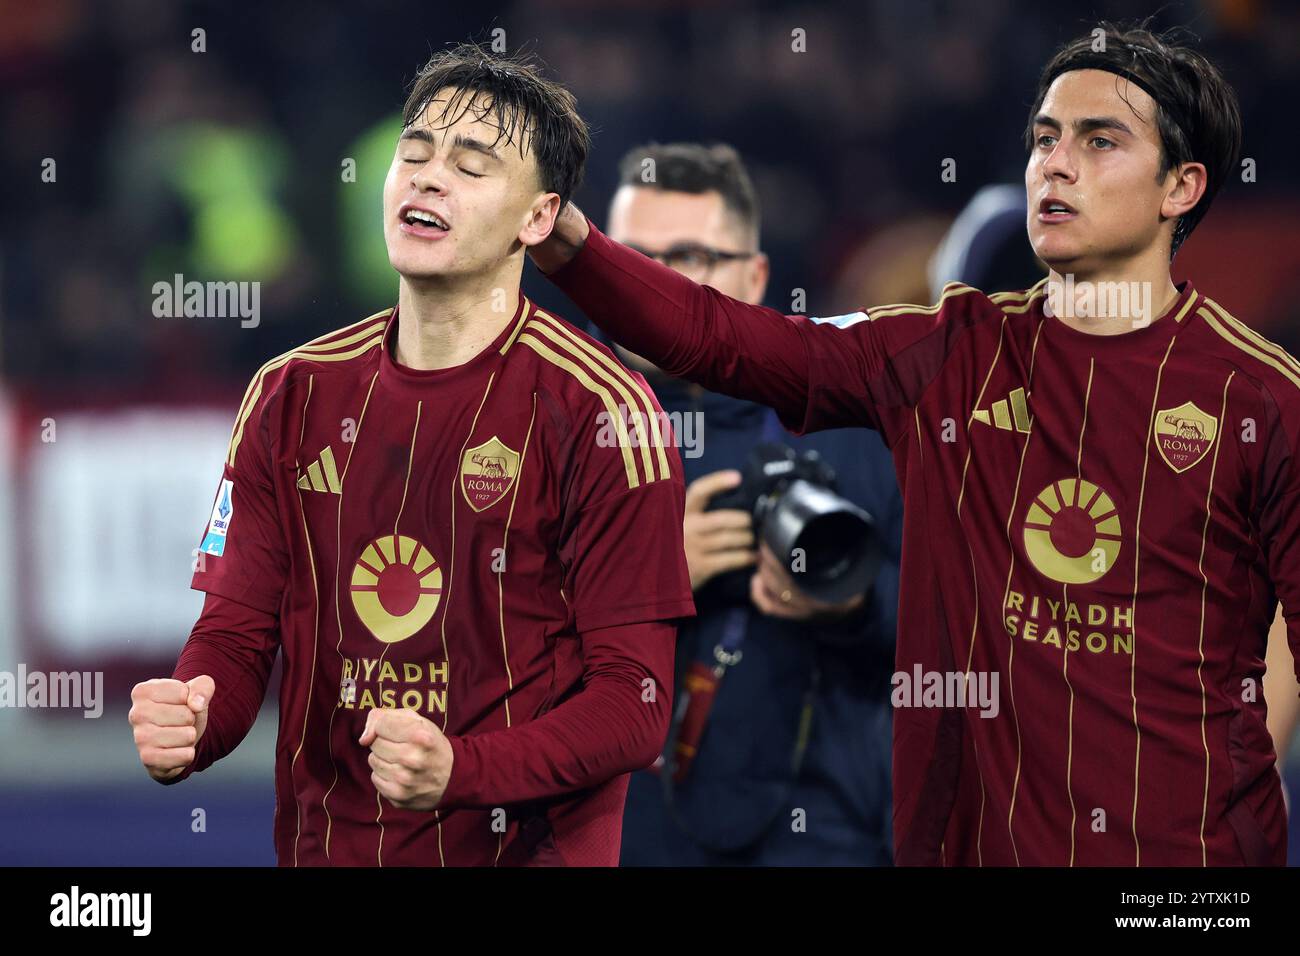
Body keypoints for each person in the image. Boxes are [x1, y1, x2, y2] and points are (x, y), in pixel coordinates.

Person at [530, 24, 1300, 865]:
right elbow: (729, 340)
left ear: (1181, 186)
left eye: (1099, 140)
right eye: (1045, 138)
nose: (1056, 162)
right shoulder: (943, 354)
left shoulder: (1263, 401)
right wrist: (571, 245)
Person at [128, 43, 695, 866]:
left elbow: (634, 705)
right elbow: (236, 635)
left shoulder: (608, 413)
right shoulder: (289, 394)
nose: (428, 179)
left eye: (471, 167)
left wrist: (462, 769)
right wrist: (194, 715)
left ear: (538, 219)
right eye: (415, 155)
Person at [601, 143, 900, 865]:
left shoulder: (844, 413)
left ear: (756, 276)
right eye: (632, 261)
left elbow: (944, 623)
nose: (655, 287)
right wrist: (650, 576)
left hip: (815, 822)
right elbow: (482, 629)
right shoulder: (543, 412)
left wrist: (850, 604)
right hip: (610, 826)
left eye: (688, 258)